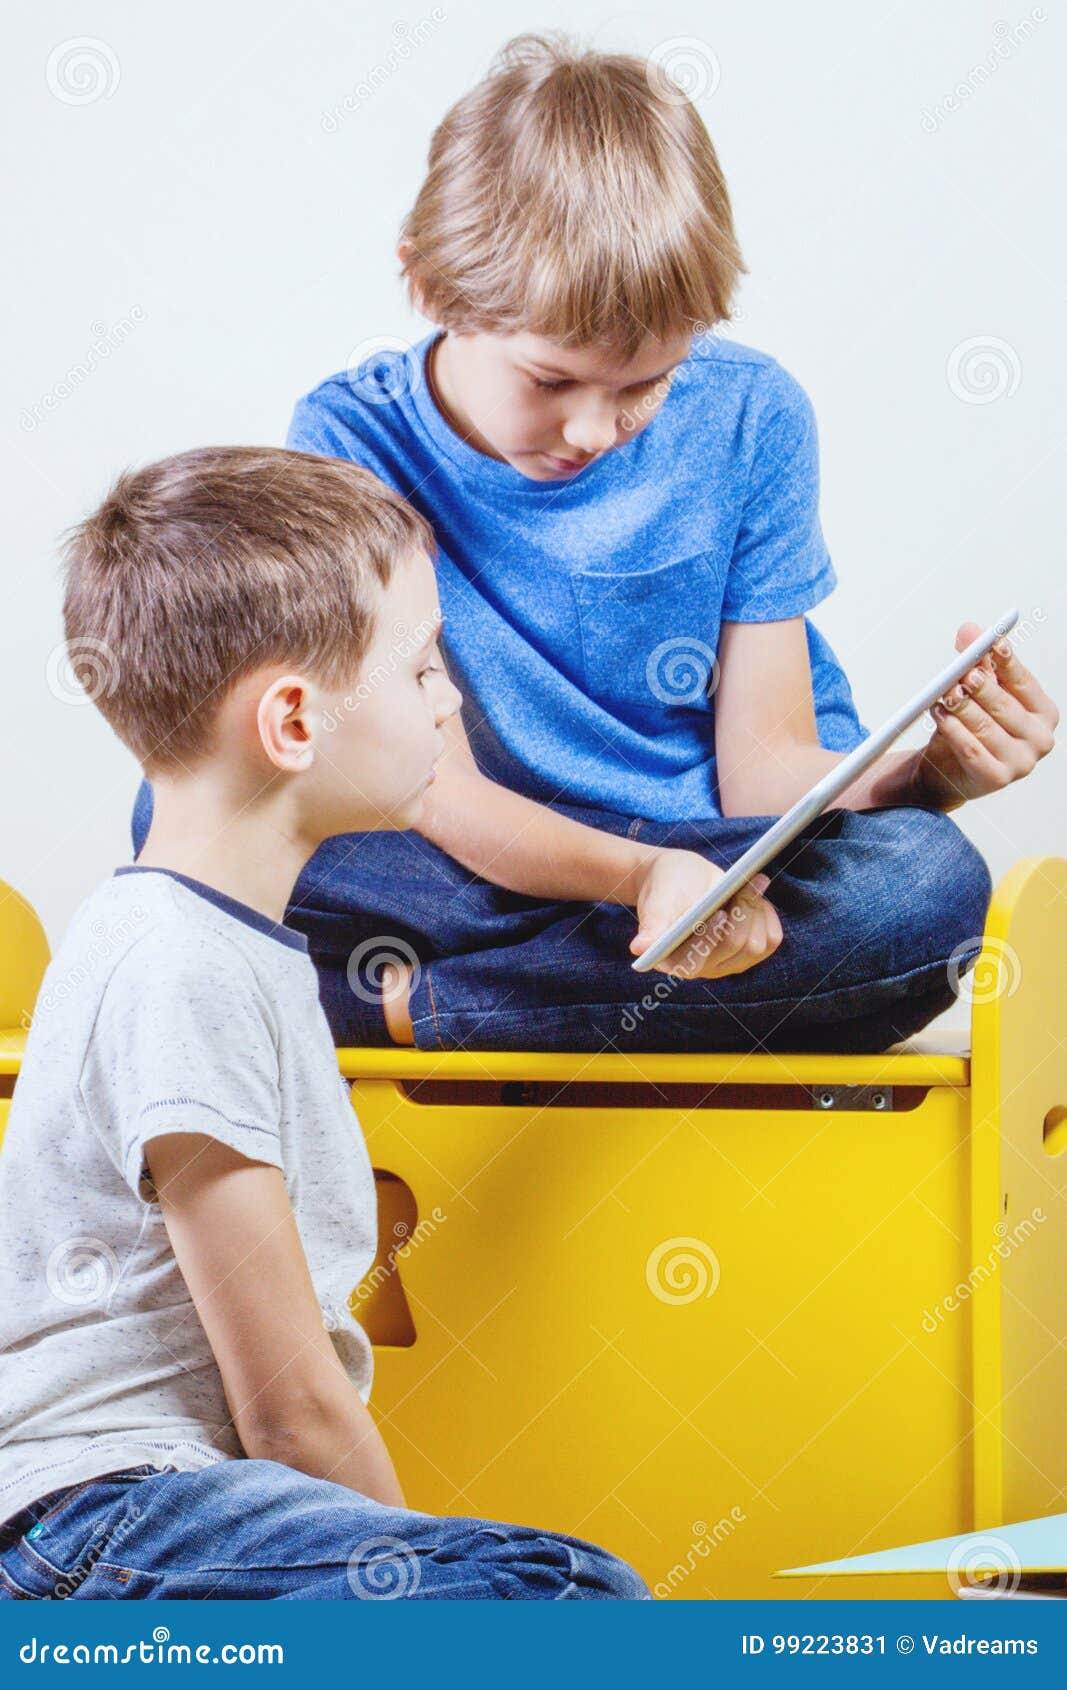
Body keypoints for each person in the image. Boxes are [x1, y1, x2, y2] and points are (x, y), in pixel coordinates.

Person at [131, 35, 1057, 1057]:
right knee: (190, 799)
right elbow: (433, 785)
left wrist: (931, 774)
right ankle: (621, 996)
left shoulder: (751, 416)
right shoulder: (355, 438)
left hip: (718, 856)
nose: (593, 431)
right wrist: (629, 878)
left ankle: (405, 1008)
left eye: (644, 386)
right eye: (550, 380)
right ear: (430, 290)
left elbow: (763, 775)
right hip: (475, 856)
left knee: (920, 887)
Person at [0, 446, 648, 1601]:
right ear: (293, 720)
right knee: (554, 1593)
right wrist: (416, 1579)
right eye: (420, 670)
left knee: (538, 1587)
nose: (451, 700)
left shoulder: (224, 944)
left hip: (166, 1513)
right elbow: (291, 1411)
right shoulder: (178, 964)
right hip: (98, 1516)